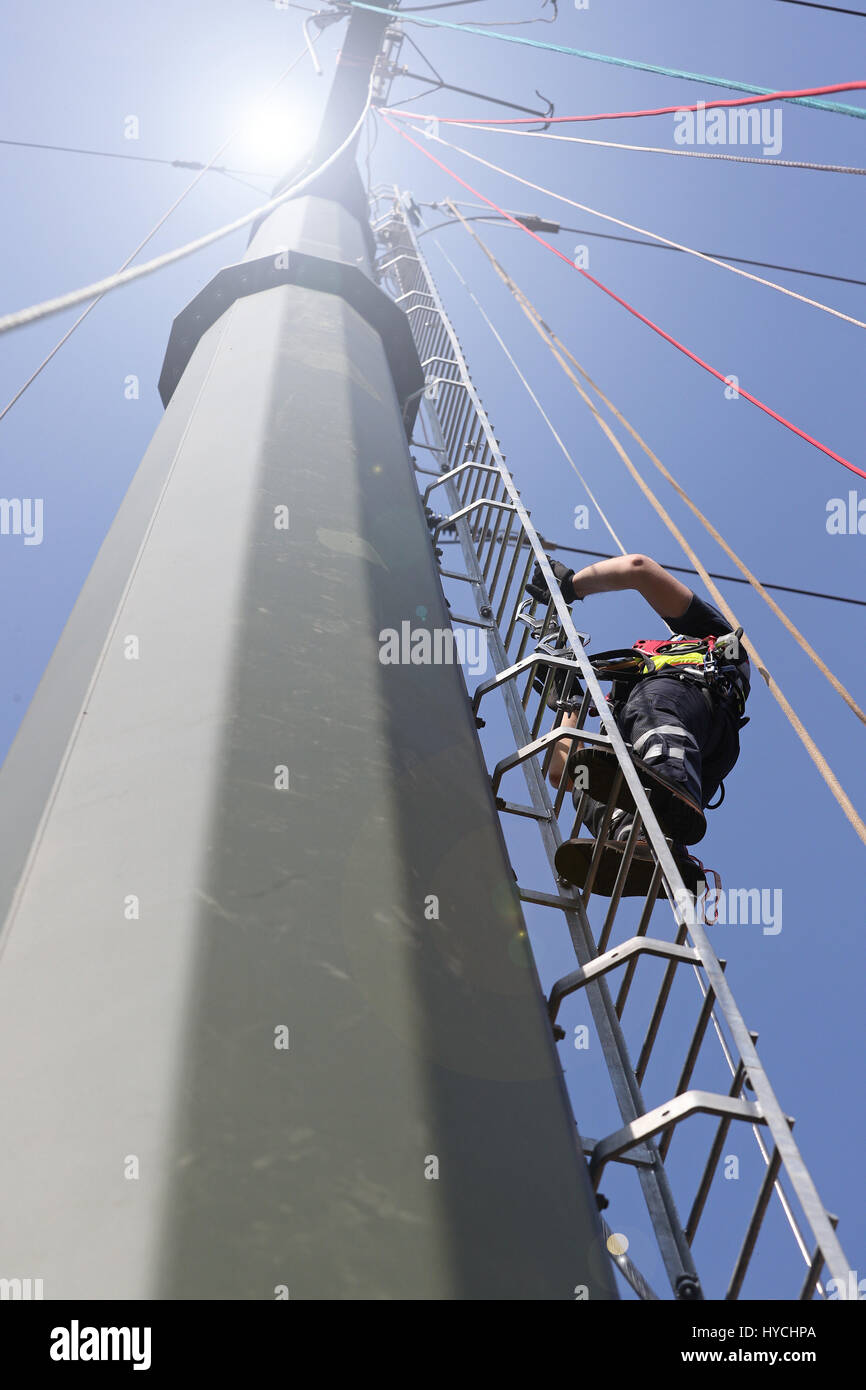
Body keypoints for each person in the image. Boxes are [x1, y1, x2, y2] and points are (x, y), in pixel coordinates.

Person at [525, 554, 750, 880]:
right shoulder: (620, 707)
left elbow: (638, 569)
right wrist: (570, 705)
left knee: (643, 709)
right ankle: (638, 840)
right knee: (588, 779)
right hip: (691, 755)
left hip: (689, 707)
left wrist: (570, 586)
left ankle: (666, 789)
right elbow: (564, 774)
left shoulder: (708, 634)